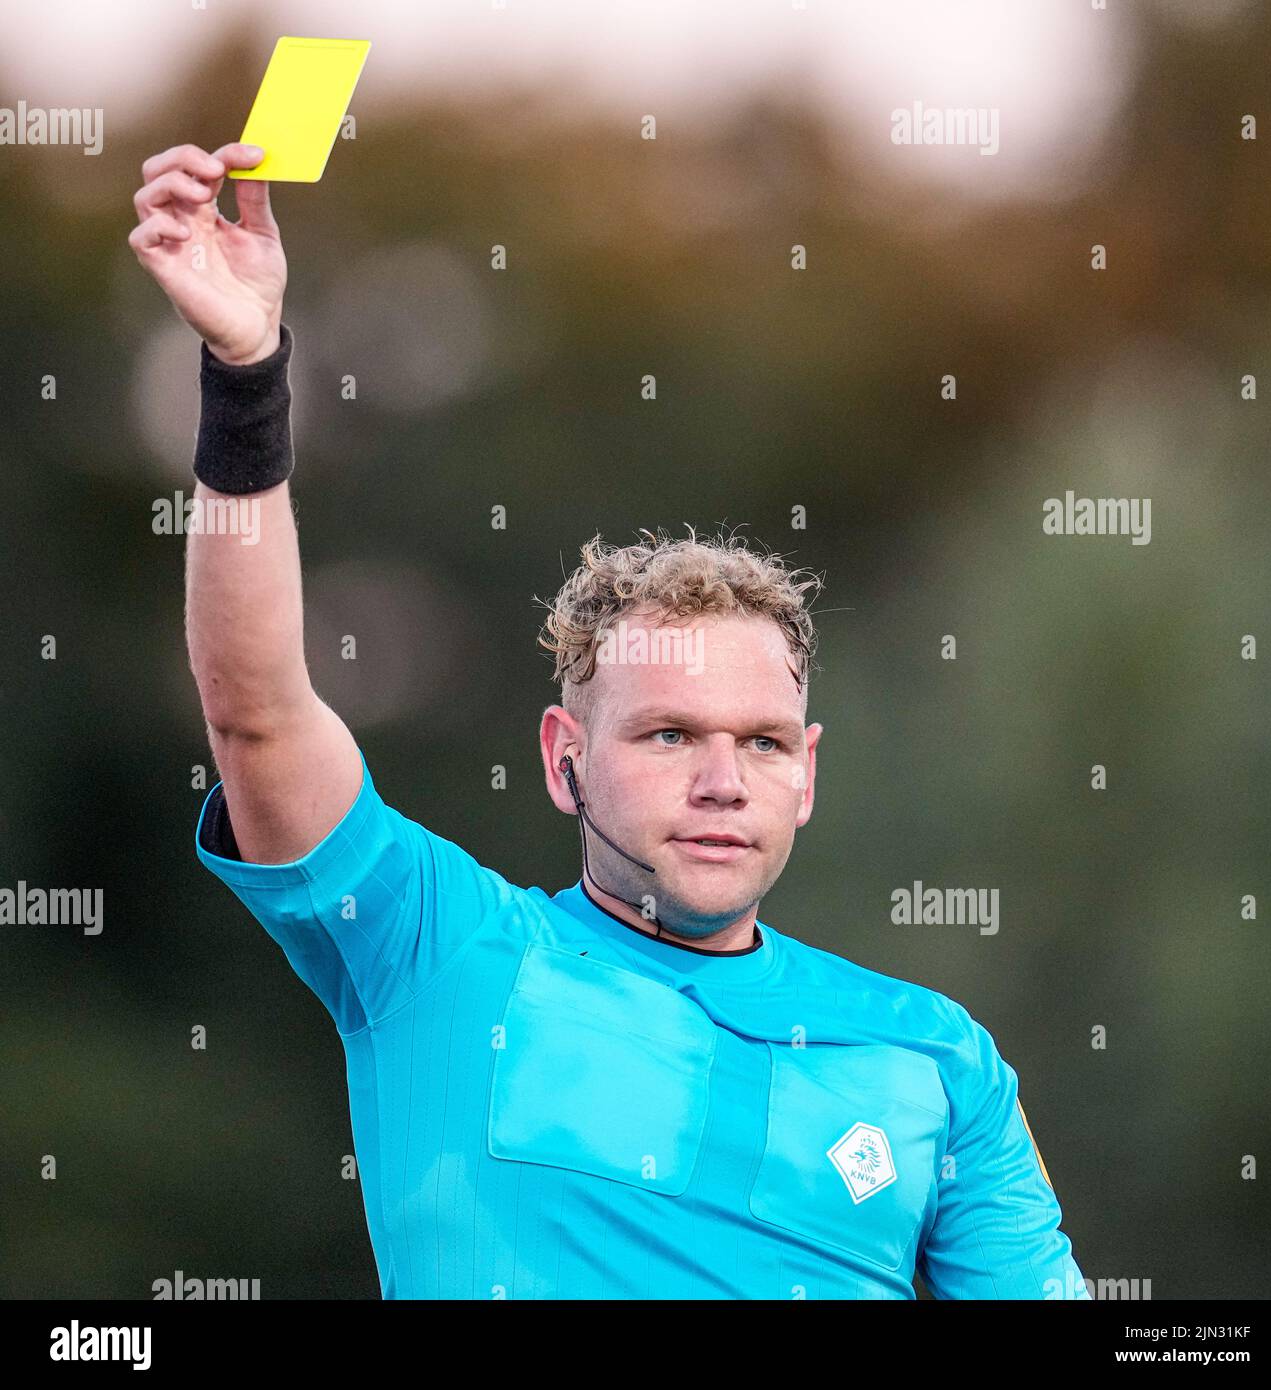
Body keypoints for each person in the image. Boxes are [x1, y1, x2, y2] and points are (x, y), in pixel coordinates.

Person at [130, 142, 1091, 1300]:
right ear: (564, 759)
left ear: (809, 773)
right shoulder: (433, 948)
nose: (724, 780)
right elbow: (257, 718)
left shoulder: (937, 1058)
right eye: (670, 735)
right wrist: (245, 376)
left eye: (764, 741)